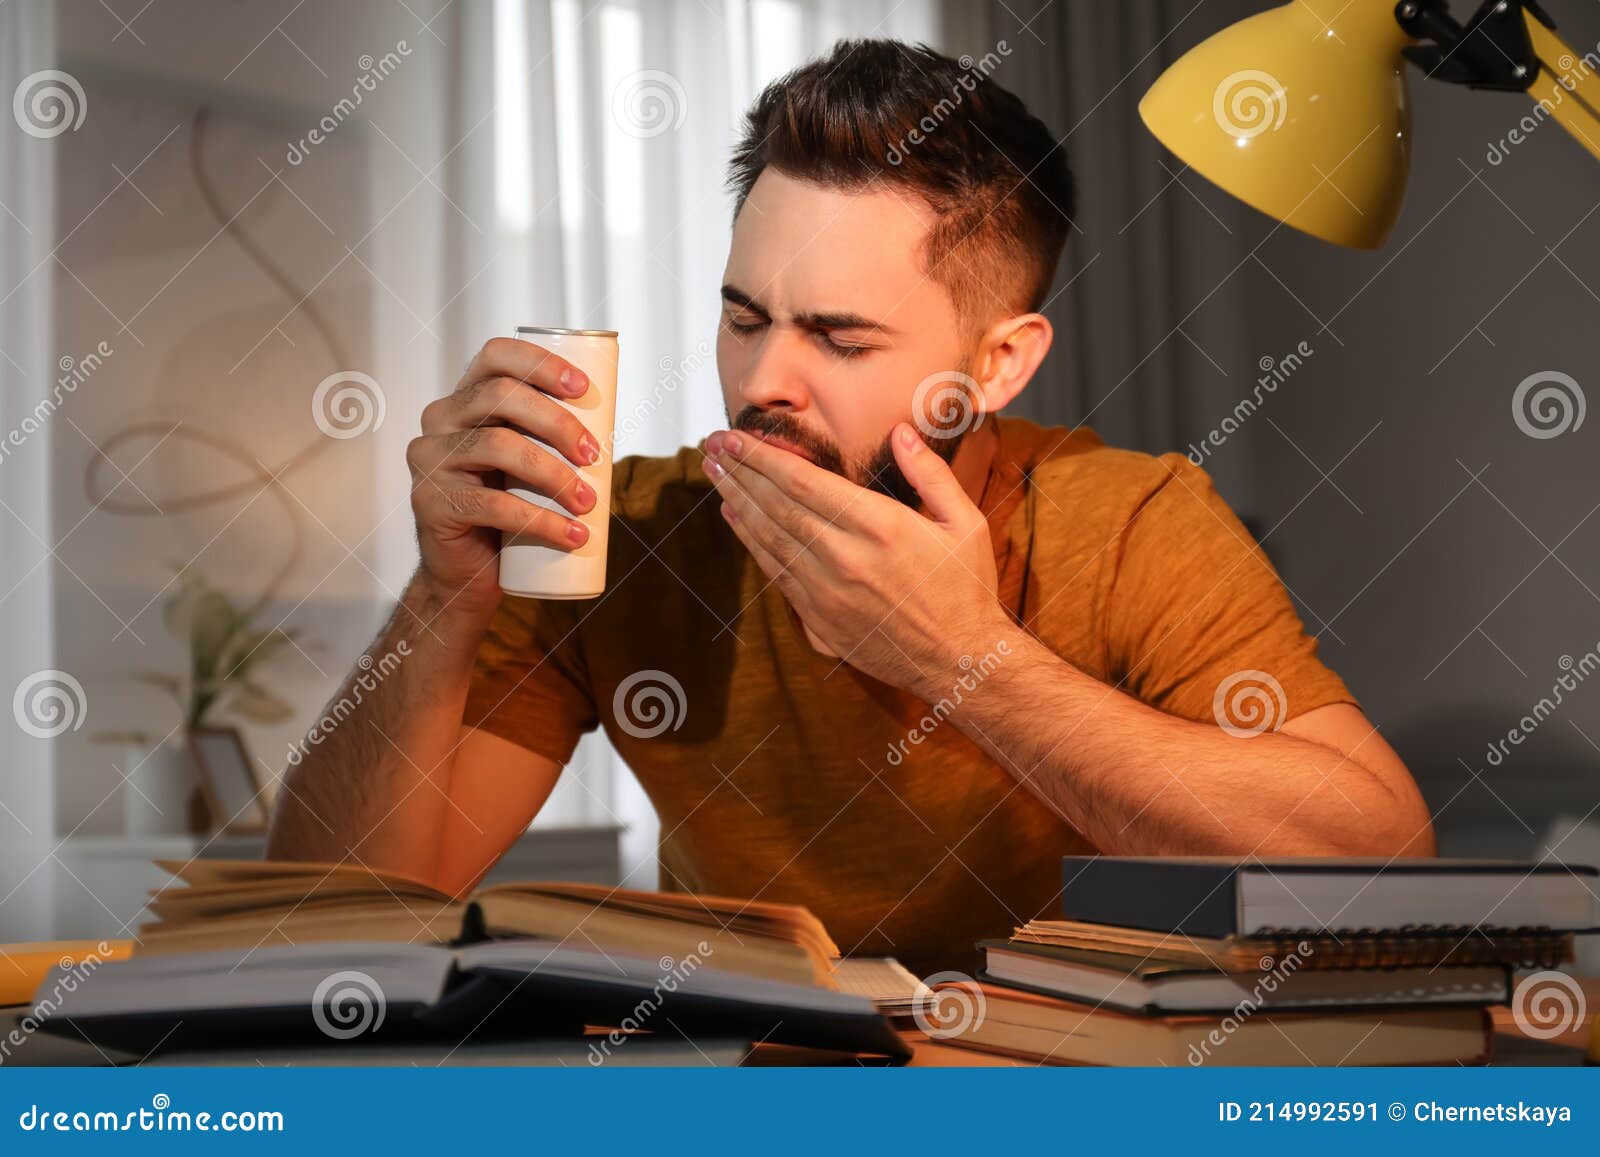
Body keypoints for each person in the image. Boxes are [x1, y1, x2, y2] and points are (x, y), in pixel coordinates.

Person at [267, 39, 1433, 978]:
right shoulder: (619, 536)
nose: (764, 378)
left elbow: (1379, 859)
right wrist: (442, 598)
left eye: (837, 335)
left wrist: (963, 657)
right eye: (742, 316)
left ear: (999, 362)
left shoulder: (1126, 520)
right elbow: (336, 921)